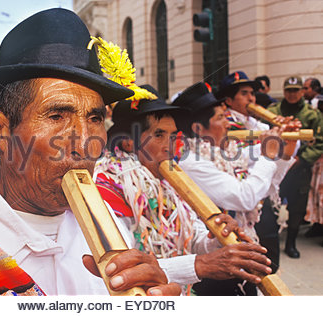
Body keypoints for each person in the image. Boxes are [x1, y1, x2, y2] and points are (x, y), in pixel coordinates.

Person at [0, 8, 181, 296]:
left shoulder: (111, 227)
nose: (86, 143)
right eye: (56, 116)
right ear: (1, 128)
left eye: (94, 118)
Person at [94, 84, 272, 296]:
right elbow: (125, 269)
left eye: (172, 135)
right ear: (128, 143)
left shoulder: (167, 181)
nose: (170, 146)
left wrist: (215, 239)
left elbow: (192, 237)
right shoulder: (107, 188)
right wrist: (199, 265)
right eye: (159, 135)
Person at [171, 82, 297, 295]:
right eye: (220, 118)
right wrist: (268, 155)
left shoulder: (222, 152)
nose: (228, 123)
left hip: (238, 251)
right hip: (215, 265)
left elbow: (263, 183)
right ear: (198, 129)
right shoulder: (191, 162)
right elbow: (246, 197)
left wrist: (284, 148)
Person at [215, 71, 299, 269]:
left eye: (252, 93)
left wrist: (289, 137)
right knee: (252, 263)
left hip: (263, 197)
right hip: (241, 203)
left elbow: (282, 157)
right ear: (228, 100)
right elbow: (245, 159)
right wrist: (271, 144)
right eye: (244, 93)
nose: (251, 98)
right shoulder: (226, 126)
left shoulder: (258, 124)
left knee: (270, 258)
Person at [268, 76, 323, 258]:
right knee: (271, 203)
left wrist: (301, 159)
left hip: (300, 169)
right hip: (275, 167)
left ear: (302, 92)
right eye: (289, 91)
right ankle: (271, 238)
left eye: (296, 90)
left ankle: (291, 242)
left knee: (297, 207)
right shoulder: (273, 112)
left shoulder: (312, 115)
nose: (292, 94)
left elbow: (319, 143)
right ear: (284, 92)